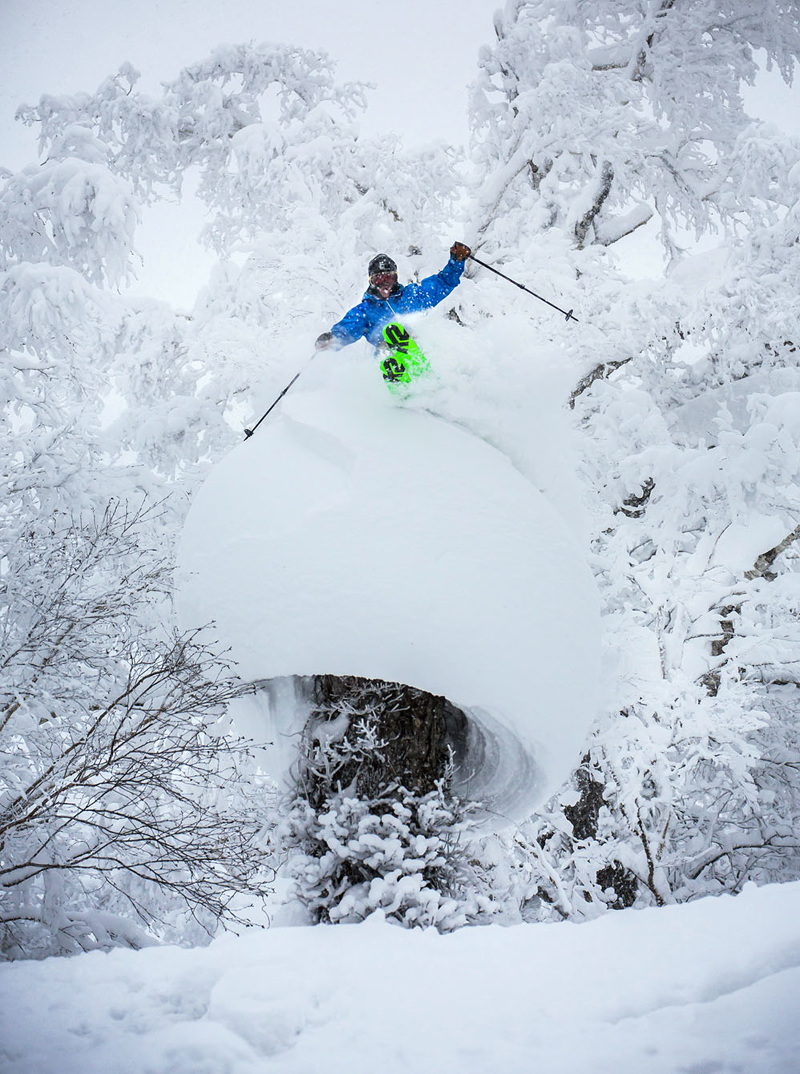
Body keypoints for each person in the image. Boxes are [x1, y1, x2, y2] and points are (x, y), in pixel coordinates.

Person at [314, 242, 471, 353]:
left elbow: (442, 283)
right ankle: (399, 385)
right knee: (391, 333)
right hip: (388, 358)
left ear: (396, 278)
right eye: (379, 279)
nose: (384, 284)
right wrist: (332, 338)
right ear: (371, 281)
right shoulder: (366, 310)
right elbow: (348, 328)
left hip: (421, 349)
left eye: (388, 278)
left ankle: (427, 377)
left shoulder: (412, 296)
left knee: (400, 331)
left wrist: (456, 262)